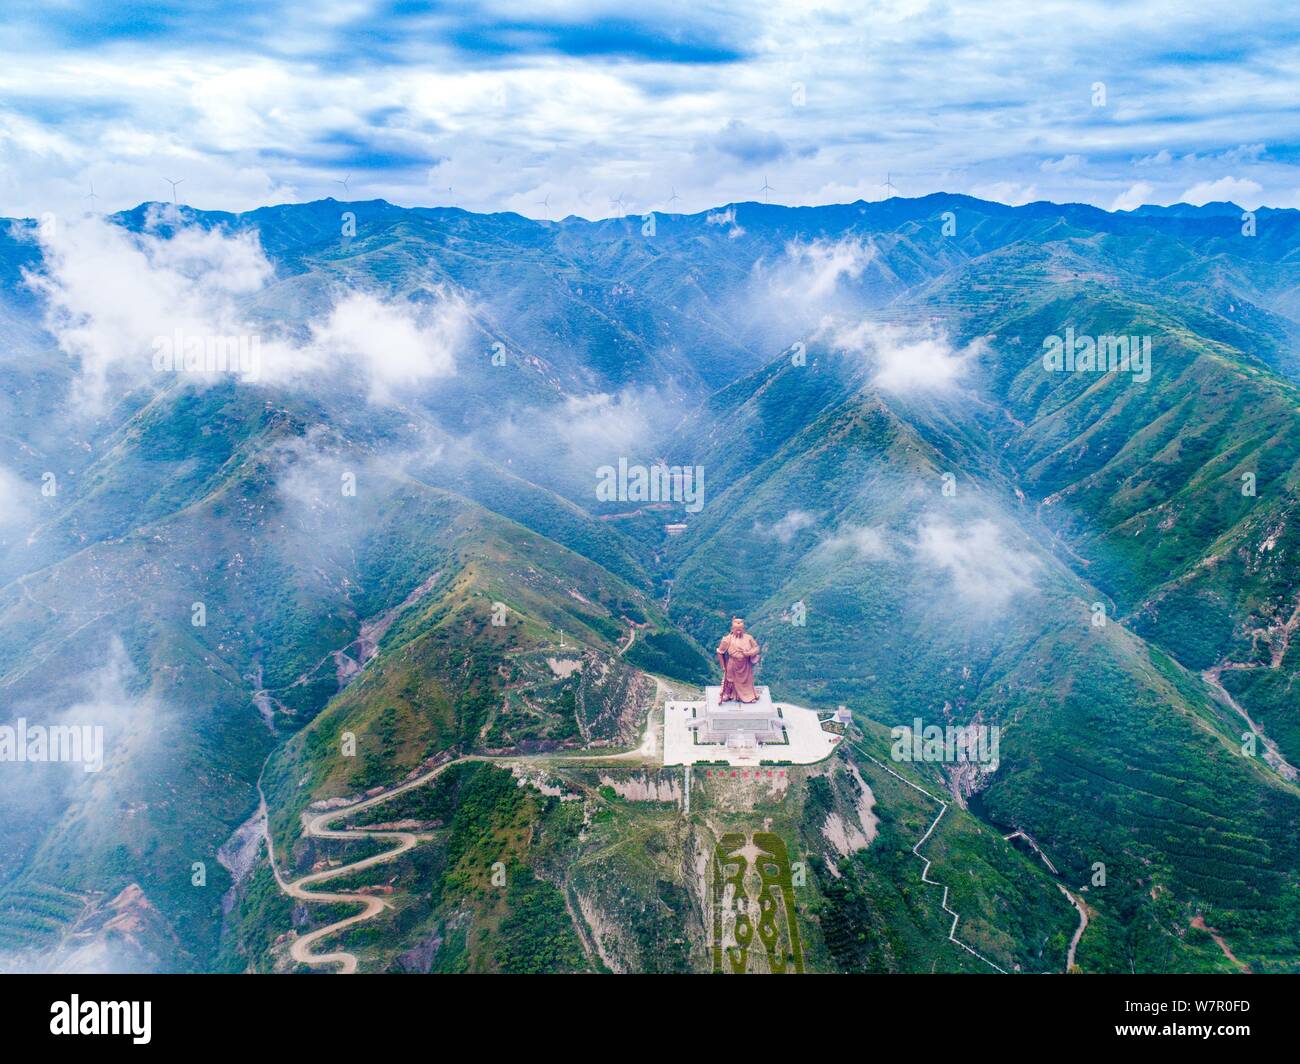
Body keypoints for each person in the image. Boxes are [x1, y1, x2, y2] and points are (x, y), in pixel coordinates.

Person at [716, 617, 761, 703]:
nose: (739, 632)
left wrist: (749, 653)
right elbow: (719, 652)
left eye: (740, 630)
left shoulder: (749, 638)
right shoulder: (727, 639)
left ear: (743, 629)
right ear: (732, 629)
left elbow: (756, 648)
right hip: (732, 663)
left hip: (745, 664)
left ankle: (748, 695)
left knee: (746, 681)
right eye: (737, 630)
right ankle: (728, 693)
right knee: (729, 679)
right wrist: (723, 666)